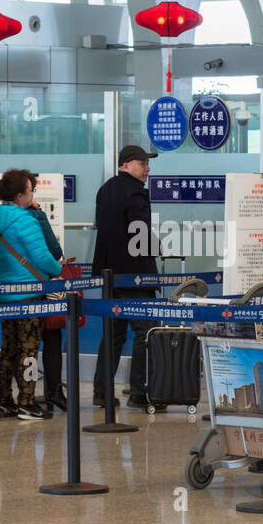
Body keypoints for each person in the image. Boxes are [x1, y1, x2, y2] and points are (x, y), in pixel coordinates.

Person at [0, 169, 63, 420]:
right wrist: (58, 268)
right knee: (29, 350)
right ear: (20, 195)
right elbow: (41, 257)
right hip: (29, 293)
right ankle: (27, 402)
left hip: (7, 292)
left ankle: (5, 400)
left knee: (8, 349)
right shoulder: (25, 220)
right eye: (31, 190)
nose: (34, 194)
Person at [91, 145, 158, 410]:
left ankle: (102, 392)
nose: (147, 168)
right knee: (146, 330)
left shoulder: (105, 189)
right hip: (135, 275)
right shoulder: (136, 193)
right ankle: (139, 392)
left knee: (113, 333)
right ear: (127, 164)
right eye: (143, 163)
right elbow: (139, 233)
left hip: (110, 274)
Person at [24, 170, 68, 413]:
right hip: (42, 284)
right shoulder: (33, 215)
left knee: (21, 345)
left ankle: (18, 397)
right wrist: (39, 214)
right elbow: (53, 250)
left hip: (15, 288)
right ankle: (53, 392)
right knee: (51, 340)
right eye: (32, 189)